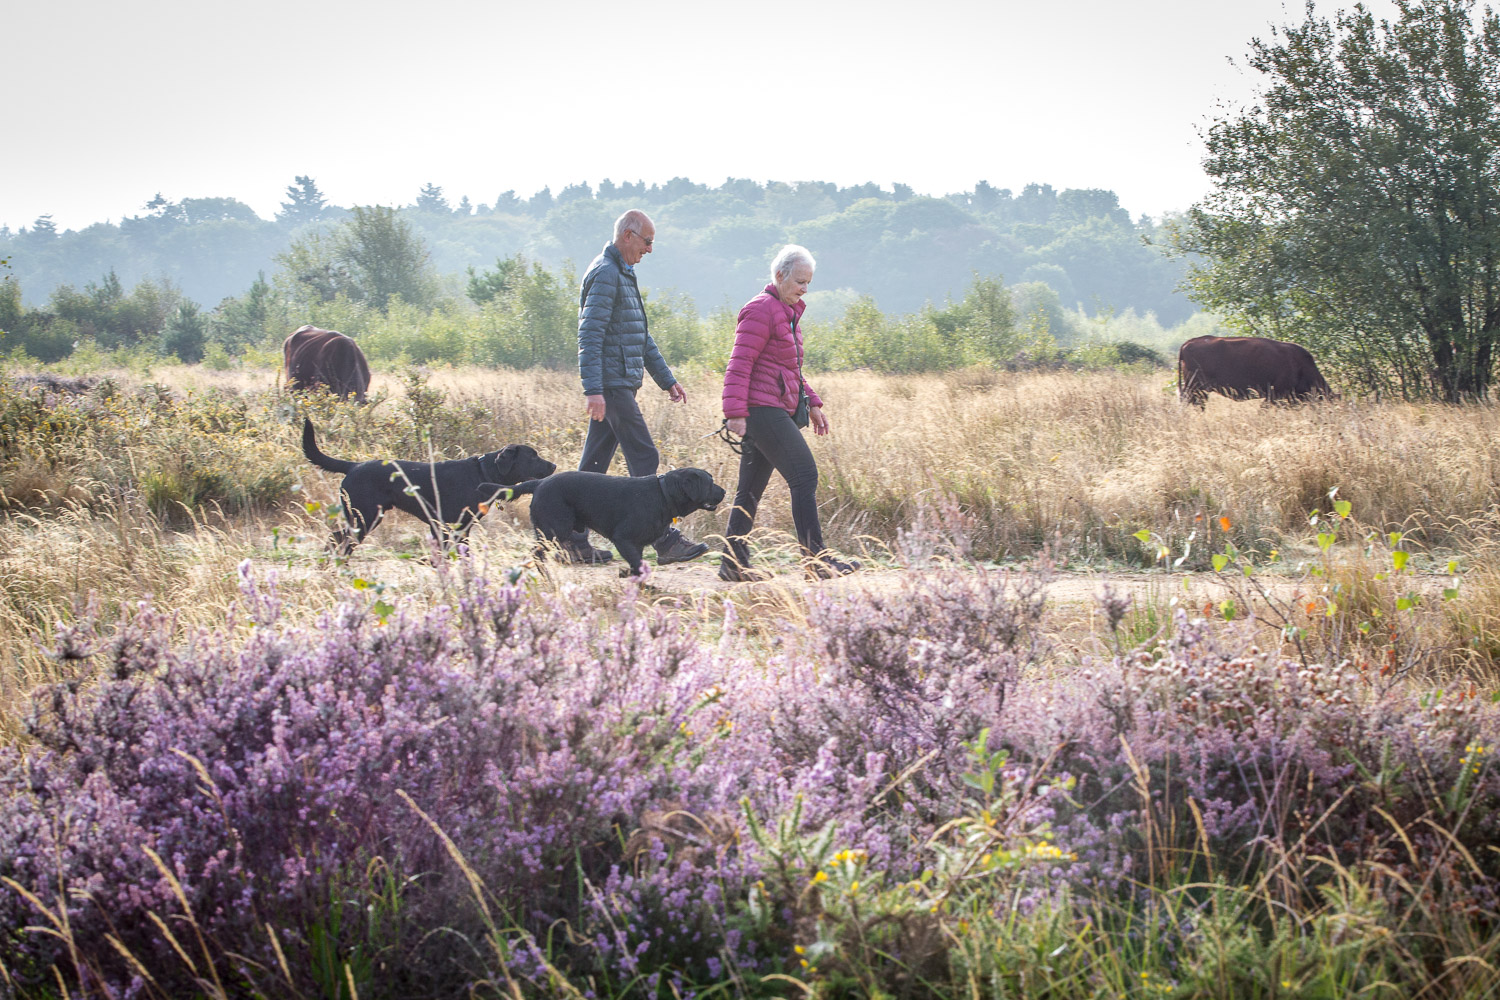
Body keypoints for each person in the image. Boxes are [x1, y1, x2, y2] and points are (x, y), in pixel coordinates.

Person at [569, 209, 708, 565]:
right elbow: (589, 334)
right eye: (647, 242)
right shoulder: (605, 274)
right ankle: (664, 539)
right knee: (645, 457)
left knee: (592, 468)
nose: (649, 250)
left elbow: (639, 337)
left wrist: (667, 380)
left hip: (617, 384)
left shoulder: (622, 273)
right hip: (611, 385)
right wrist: (593, 389)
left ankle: (572, 541)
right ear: (628, 236)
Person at [719, 245, 860, 582]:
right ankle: (816, 561)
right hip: (761, 410)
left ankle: (732, 564)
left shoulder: (786, 312)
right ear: (780, 275)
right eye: (799, 281)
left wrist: (811, 400)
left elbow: (789, 368)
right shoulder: (761, 310)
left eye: (808, 283)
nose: (804, 289)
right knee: (805, 476)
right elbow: (739, 364)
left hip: (770, 407)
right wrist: (735, 412)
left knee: (750, 489)